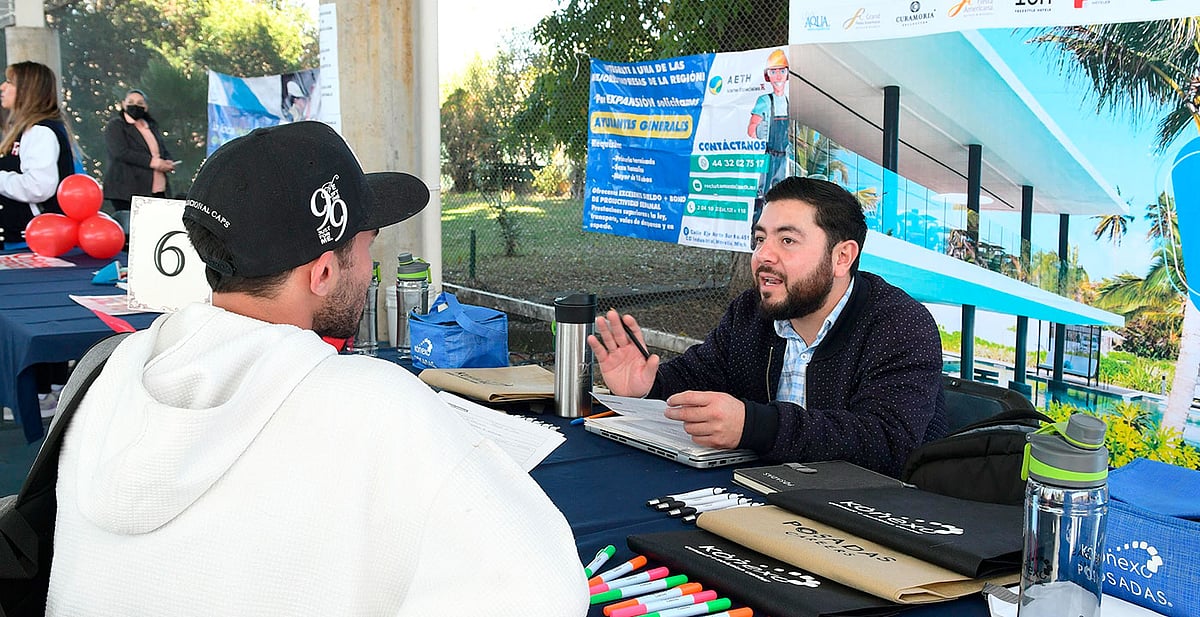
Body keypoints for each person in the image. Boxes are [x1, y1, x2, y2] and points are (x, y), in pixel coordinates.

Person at [47, 122, 588, 615]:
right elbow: (544, 589)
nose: (372, 268)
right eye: (367, 247)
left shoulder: (109, 372)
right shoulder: (376, 405)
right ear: (324, 271)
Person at [589, 177, 947, 478]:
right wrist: (648, 385)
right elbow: (699, 375)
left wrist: (755, 426)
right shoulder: (750, 313)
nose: (763, 255)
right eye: (760, 239)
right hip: (762, 497)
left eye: (787, 240)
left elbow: (886, 444)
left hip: (868, 520)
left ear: (842, 257)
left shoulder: (900, 325)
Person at [0, 61, 76, 248]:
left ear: (27, 90)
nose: (2, 87)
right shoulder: (27, 129)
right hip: (21, 238)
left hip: (32, 241)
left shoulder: (41, 131)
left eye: (10, 82)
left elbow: (39, 187)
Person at [103, 89, 176, 222]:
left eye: (140, 103)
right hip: (127, 191)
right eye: (131, 102)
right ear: (123, 104)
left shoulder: (151, 127)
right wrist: (154, 163)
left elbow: (162, 150)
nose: (135, 105)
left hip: (157, 189)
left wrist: (168, 161)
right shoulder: (116, 126)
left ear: (146, 107)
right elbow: (121, 152)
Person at [747, 49, 792, 207]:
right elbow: (751, 129)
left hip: (784, 158)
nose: (778, 76)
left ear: (787, 74)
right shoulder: (764, 100)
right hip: (769, 156)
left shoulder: (790, 102)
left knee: (782, 196)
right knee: (763, 196)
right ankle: (757, 228)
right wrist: (760, 131)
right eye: (774, 72)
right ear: (768, 75)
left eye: (782, 71)